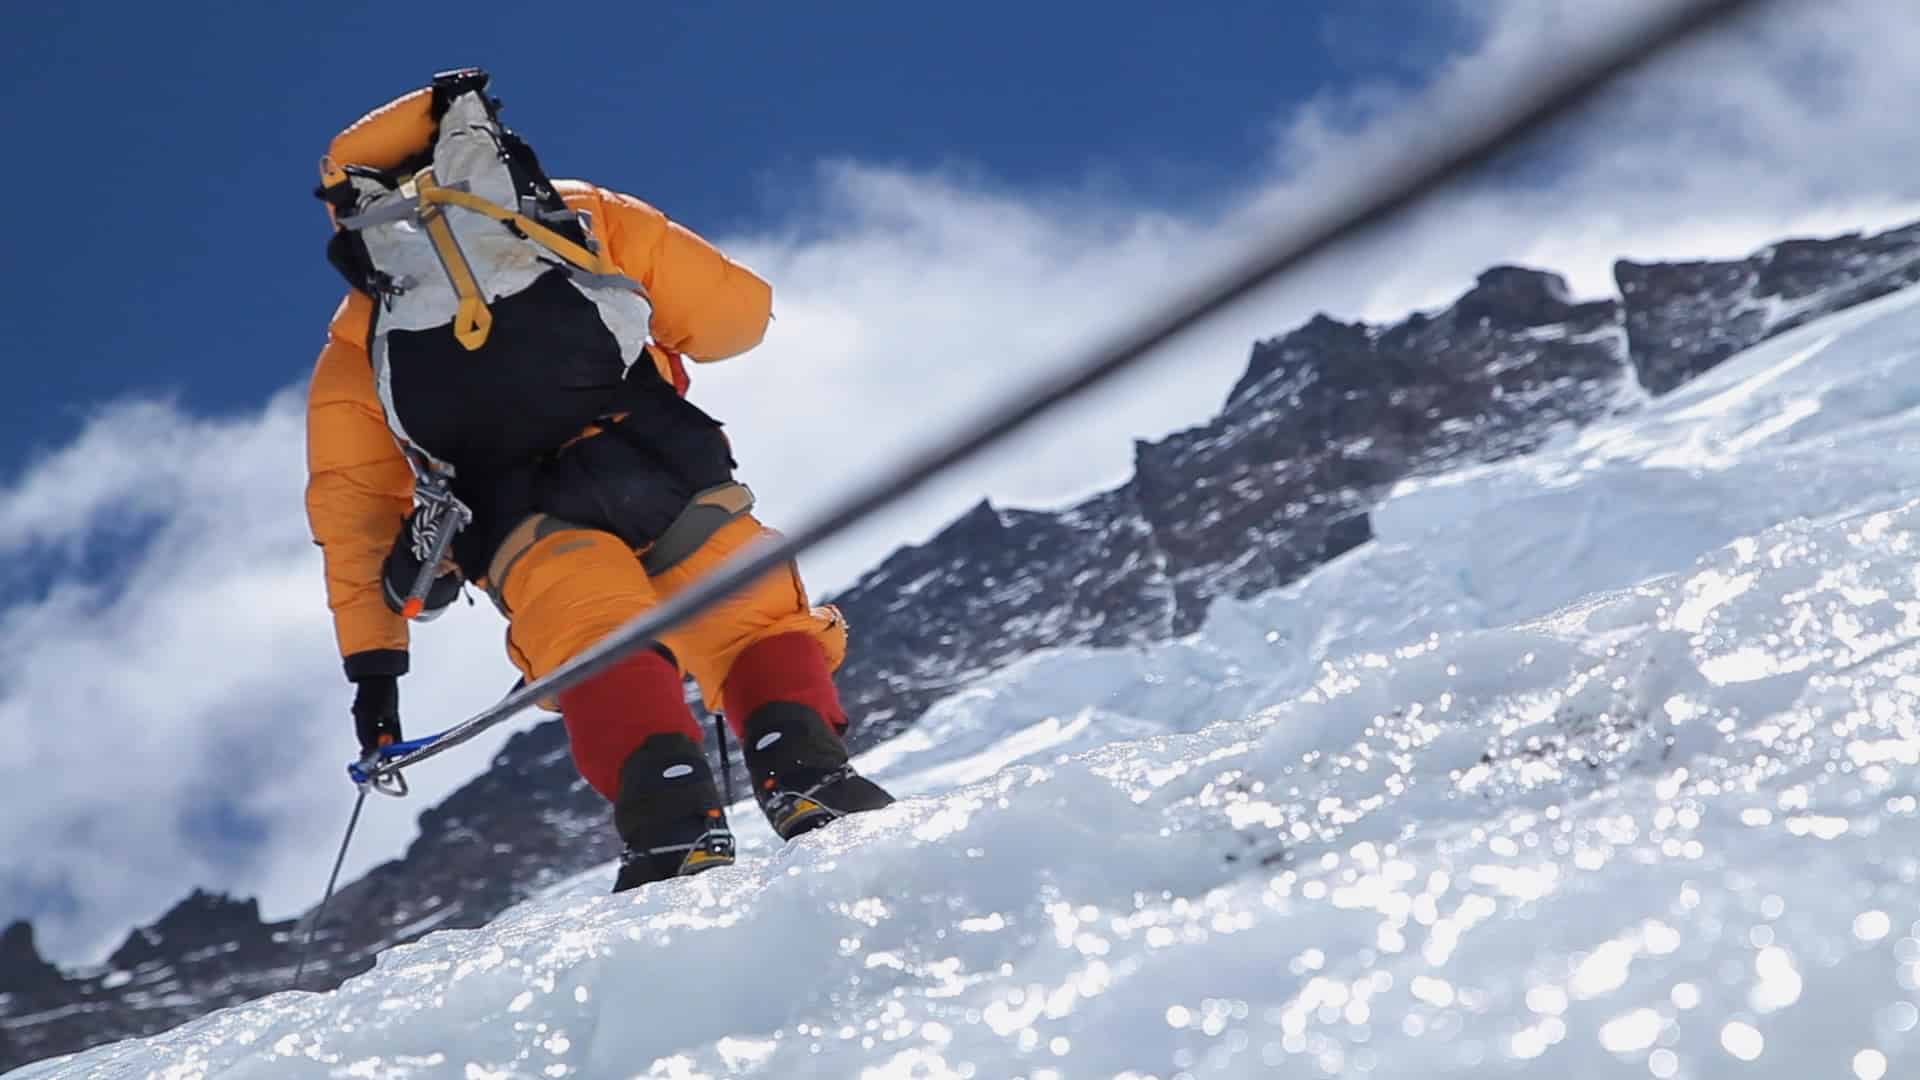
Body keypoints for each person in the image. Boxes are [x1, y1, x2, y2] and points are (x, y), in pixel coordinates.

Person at [304, 69, 893, 893]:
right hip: (661, 461)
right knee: (752, 624)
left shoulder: (358, 339)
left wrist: (376, 681)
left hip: (521, 519)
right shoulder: (575, 215)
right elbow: (739, 318)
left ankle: (672, 824)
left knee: (595, 641)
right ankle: (805, 774)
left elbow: (354, 511)